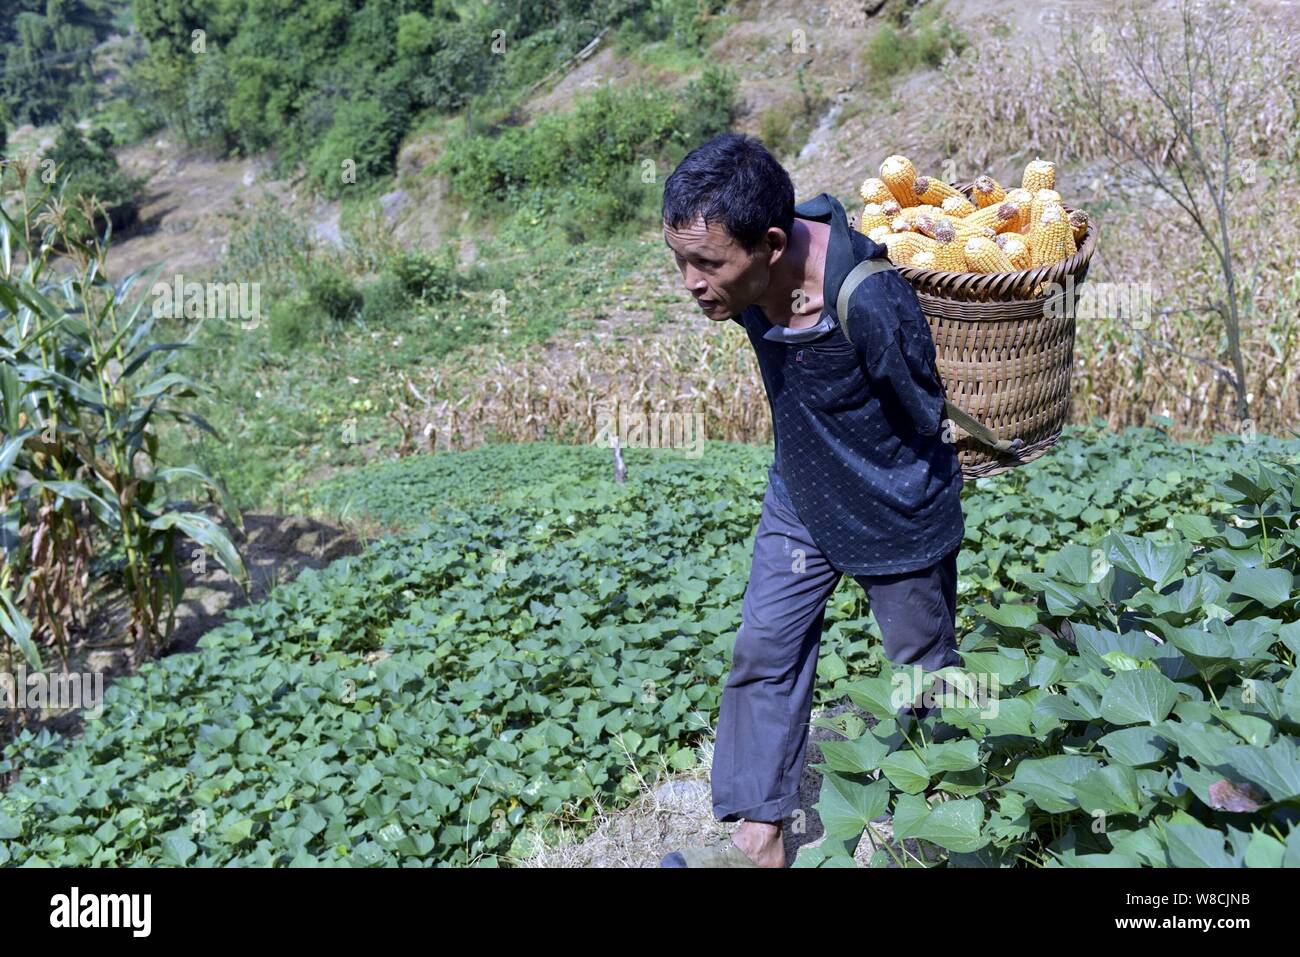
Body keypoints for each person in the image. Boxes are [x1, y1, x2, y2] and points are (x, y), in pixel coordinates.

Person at [658, 133, 965, 868]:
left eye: (707, 263)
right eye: (681, 261)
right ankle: (760, 829)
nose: (692, 282)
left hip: (891, 501)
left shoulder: (867, 296)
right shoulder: (741, 284)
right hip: (801, 490)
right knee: (766, 647)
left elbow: (924, 409)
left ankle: (949, 809)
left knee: (923, 666)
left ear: (771, 244)